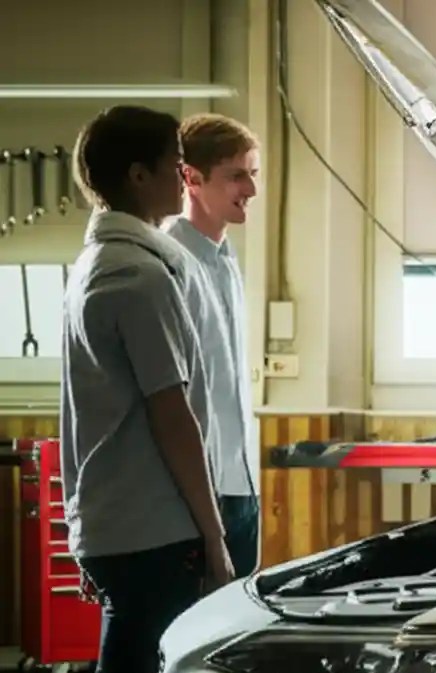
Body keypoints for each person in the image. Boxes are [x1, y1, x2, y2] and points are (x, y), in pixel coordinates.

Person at [61, 105, 234, 673]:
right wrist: (214, 539)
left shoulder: (97, 265)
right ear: (140, 175)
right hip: (153, 527)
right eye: (173, 163)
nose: (182, 174)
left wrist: (87, 533)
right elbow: (172, 413)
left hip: (121, 524)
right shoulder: (138, 276)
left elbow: (84, 415)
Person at [162, 112, 261, 578]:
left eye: (252, 174)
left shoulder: (225, 259)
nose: (252, 190)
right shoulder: (171, 264)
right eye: (237, 176)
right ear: (191, 178)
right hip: (200, 491)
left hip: (241, 481)